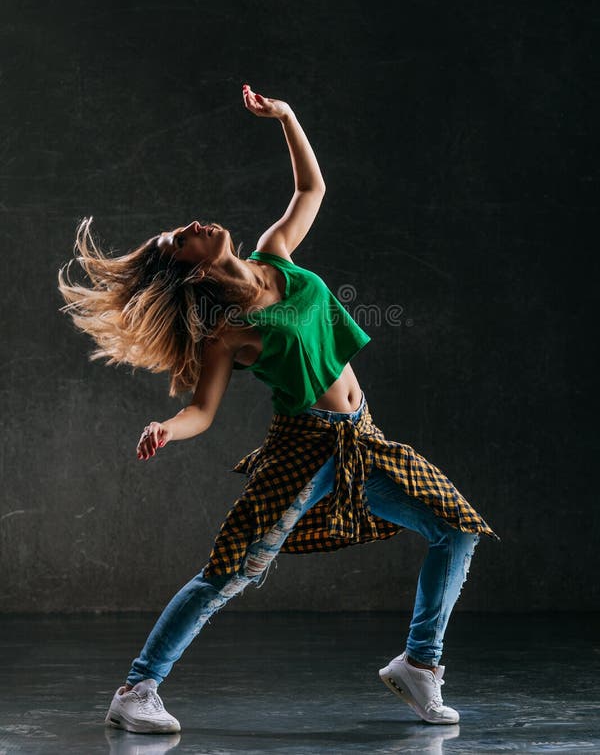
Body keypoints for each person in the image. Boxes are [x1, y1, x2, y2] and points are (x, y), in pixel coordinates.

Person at [58, 84, 500, 735]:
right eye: (183, 238)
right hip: (304, 449)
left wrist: (286, 118)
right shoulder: (226, 332)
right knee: (230, 573)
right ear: (193, 272)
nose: (195, 225)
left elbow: (310, 192)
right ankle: (136, 689)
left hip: (363, 437)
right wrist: (166, 428)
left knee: (456, 528)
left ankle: (419, 666)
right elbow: (203, 411)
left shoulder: (276, 256)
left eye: (187, 225)